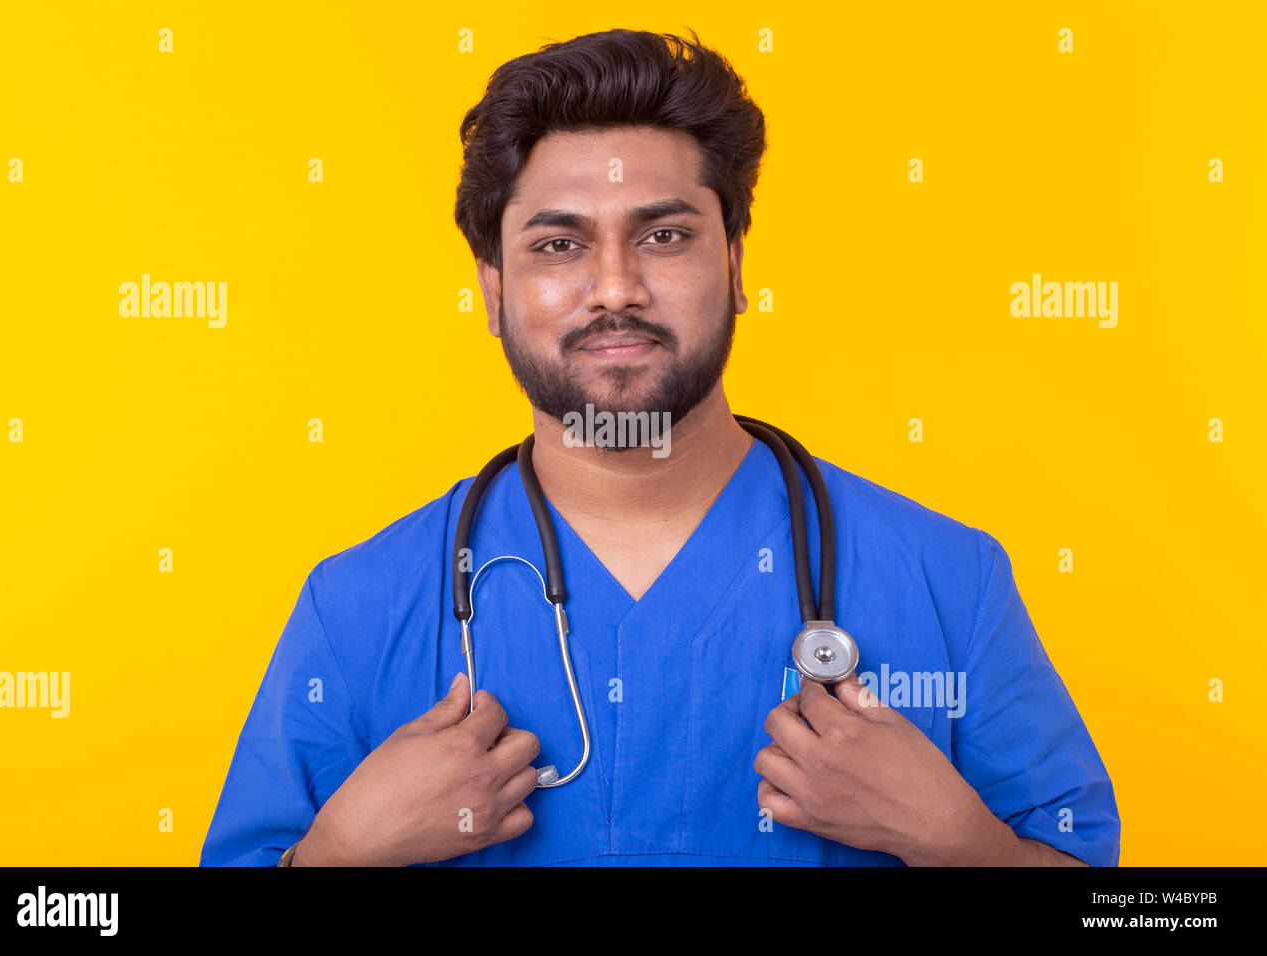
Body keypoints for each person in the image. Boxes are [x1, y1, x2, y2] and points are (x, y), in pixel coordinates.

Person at [200, 28, 1120, 867]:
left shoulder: (945, 577)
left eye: (665, 235)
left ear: (734, 263)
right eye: (559, 245)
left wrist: (962, 845)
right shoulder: (357, 606)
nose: (615, 288)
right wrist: (335, 857)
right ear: (491, 289)